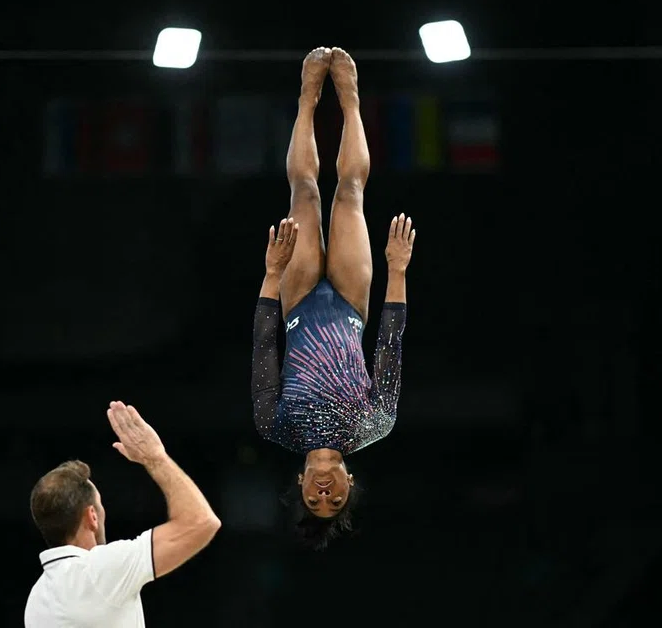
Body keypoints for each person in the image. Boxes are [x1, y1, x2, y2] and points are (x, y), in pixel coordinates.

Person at [251, 47, 417, 550]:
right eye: (336, 500)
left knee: (304, 193)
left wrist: (272, 275)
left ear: (300, 484)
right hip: (350, 303)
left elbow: (264, 347)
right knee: (349, 193)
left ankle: (306, 100)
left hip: (297, 302)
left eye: (314, 499)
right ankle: (350, 101)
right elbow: (389, 345)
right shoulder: (375, 424)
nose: (325, 494)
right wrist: (397, 270)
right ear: (351, 484)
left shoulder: (274, 426)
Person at [24, 401, 221, 627]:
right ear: (92, 516)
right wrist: (155, 458)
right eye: (100, 505)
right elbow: (202, 522)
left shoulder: (36, 600)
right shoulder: (100, 571)